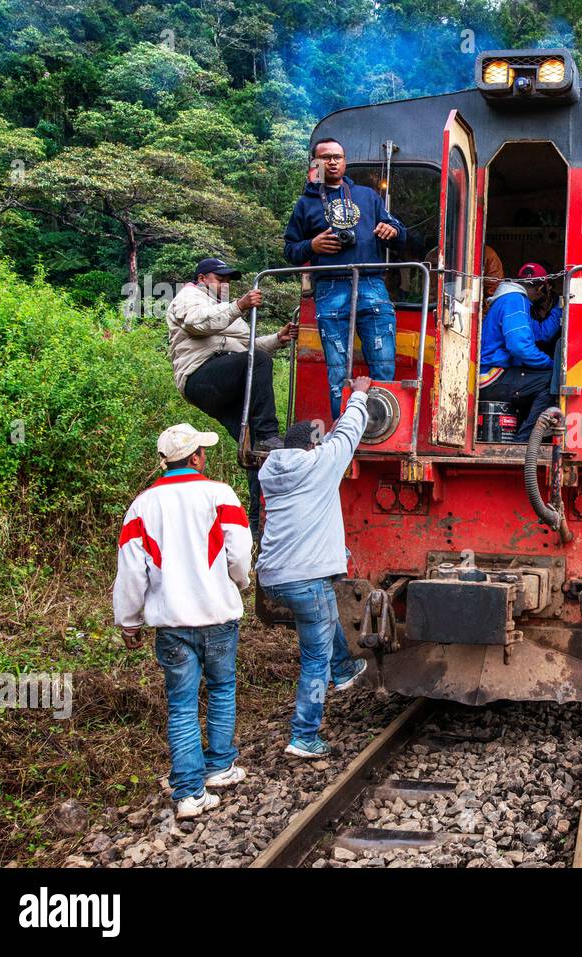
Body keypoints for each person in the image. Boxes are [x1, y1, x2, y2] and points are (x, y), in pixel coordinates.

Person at [113, 424, 252, 819]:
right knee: (222, 688)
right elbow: (240, 551)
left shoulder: (142, 506)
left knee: (181, 704)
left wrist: (129, 622)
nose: (204, 456)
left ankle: (189, 793)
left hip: (171, 624)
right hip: (218, 615)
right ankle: (220, 767)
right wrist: (238, 583)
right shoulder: (219, 494)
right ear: (194, 458)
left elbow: (131, 569)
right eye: (202, 452)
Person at [256, 376, 373, 759]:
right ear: (312, 445)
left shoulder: (271, 473)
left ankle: (343, 670)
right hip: (304, 577)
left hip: (275, 577)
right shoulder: (319, 464)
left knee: (324, 605)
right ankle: (304, 735)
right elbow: (349, 433)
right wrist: (359, 394)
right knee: (313, 660)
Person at [283, 137, 412, 421]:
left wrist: (393, 231)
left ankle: (382, 433)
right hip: (330, 287)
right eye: (326, 157)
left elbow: (402, 235)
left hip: (371, 283)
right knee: (338, 371)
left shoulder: (367, 196)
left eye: (338, 156)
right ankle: (344, 434)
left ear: (344, 161)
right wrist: (311, 246)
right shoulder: (305, 204)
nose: (332, 161)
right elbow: (290, 251)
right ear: (315, 163)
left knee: (384, 365)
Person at [168, 257, 295, 536]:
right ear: (202, 278)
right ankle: (270, 433)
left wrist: (277, 338)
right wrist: (238, 306)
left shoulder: (224, 309)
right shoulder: (189, 296)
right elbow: (196, 324)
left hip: (226, 374)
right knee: (259, 363)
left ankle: (256, 524)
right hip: (200, 375)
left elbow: (244, 348)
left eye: (227, 281)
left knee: (254, 449)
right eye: (219, 278)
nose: (224, 284)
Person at [478, 263, 563, 441]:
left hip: (494, 374)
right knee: (551, 382)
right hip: (491, 377)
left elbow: (541, 332)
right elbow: (520, 348)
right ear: (541, 288)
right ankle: (525, 441)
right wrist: (553, 366)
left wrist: (560, 308)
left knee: (541, 379)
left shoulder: (509, 300)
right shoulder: (516, 301)